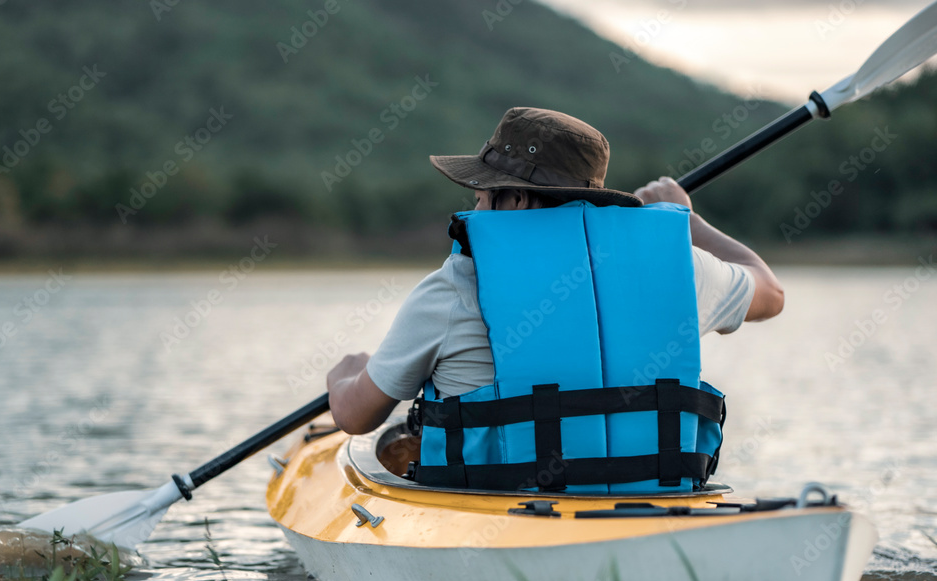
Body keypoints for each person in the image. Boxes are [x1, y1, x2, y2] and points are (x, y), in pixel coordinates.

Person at [327, 107, 784, 445]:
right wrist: (689, 224)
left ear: (516, 201)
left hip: (497, 505)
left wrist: (345, 376)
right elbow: (771, 292)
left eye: (484, 194)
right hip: (649, 492)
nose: (477, 207)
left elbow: (355, 416)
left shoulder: (455, 287)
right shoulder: (680, 269)